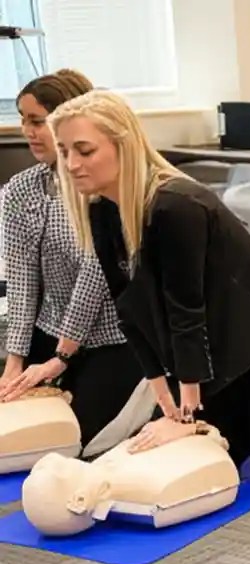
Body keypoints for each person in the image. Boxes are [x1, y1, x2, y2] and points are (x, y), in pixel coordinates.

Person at [47, 89, 250, 478]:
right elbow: (130, 312)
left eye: (84, 150)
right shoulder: (102, 211)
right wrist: (163, 395)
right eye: (64, 151)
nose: (71, 164)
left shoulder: (176, 205)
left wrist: (188, 412)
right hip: (217, 342)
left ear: (124, 145)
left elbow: (186, 312)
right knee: (216, 455)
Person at [0, 69, 143, 450]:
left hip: (111, 336)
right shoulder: (19, 190)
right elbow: (21, 279)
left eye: (37, 121)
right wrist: (14, 361)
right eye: (23, 120)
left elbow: (93, 279)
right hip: (49, 329)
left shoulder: (101, 185)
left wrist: (63, 356)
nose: (27, 131)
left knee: (78, 439)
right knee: (20, 422)